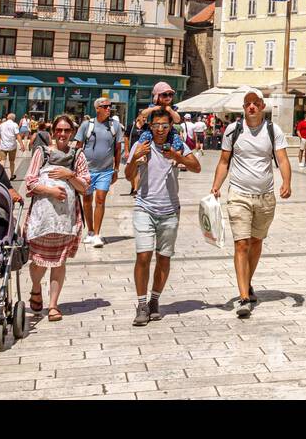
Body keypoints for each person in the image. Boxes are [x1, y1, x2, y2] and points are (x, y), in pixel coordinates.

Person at [212, 89, 292, 317]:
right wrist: (216, 184)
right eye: (248, 103)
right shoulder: (233, 130)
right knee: (241, 244)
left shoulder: (272, 130)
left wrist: (286, 182)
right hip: (238, 194)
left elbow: (283, 159)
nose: (251, 107)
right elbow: (223, 161)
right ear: (244, 107)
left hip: (265, 196)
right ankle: (244, 297)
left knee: (256, 242)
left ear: (262, 105)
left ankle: (247, 283)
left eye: (255, 103)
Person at [126, 107, 200, 326]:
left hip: (169, 210)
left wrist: (177, 157)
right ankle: (141, 304)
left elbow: (196, 167)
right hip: (144, 208)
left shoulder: (177, 145)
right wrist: (135, 159)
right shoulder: (142, 146)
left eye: (164, 126)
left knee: (164, 258)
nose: (160, 129)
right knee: (143, 256)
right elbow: (128, 175)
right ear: (150, 126)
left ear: (171, 127)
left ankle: (154, 301)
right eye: (156, 125)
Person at [23, 115, 90, 322]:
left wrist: (69, 175)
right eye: (59, 130)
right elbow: (30, 182)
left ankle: (53, 305)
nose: (62, 134)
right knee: (38, 262)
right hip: (42, 219)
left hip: (66, 219)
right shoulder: (41, 152)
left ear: (72, 132)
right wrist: (50, 191)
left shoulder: (78, 155)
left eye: (66, 131)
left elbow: (85, 186)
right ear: (53, 132)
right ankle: (36, 288)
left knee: (59, 261)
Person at [75, 96, 125, 248]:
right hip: (87, 170)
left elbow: (118, 149)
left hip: (106, 170)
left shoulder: (115, 125)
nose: (108, 108)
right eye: (105, 106)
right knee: (87, 201)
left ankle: (97, 234)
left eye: (110, 106)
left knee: (101, 199)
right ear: (97, 108)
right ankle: (89, 231)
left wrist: (116, 169)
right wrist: (76, 170)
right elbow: (78, 147)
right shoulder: (86, 125)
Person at [0, 112, 21, 180]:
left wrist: (1, 140)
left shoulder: (2, 125)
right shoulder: (15, 125)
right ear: (14, 118)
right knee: (12, 161)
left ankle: (0, 175)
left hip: (3, 146)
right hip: (12, 146)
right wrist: (22, 145)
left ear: (7, 117)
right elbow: (17, 135)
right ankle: (12, 175)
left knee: (2, 161)